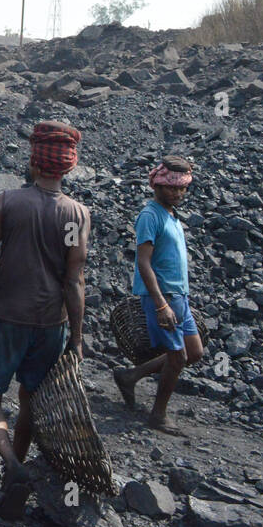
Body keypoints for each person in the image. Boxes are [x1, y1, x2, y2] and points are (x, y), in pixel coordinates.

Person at [0, 121, 90, 519]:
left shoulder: (8, 202)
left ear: (34, 162)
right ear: (67, 167)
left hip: (6, 317)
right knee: (30, 398)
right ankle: (13, 478)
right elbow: (74, 280)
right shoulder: (77, 215)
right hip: (50, 324)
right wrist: (76, 338)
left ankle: (12, 465)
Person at [113, 156, 203, 436]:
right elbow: (143, 263)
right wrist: (161, 304)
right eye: (171, 188)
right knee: (176, 359)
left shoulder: (172, 216)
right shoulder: (150, 215)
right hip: (163, 297)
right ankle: (158, 415)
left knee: (194, 352)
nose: (177, 193)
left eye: (182, 189)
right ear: (157, 186)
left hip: (179, 296)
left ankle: (131, 375)